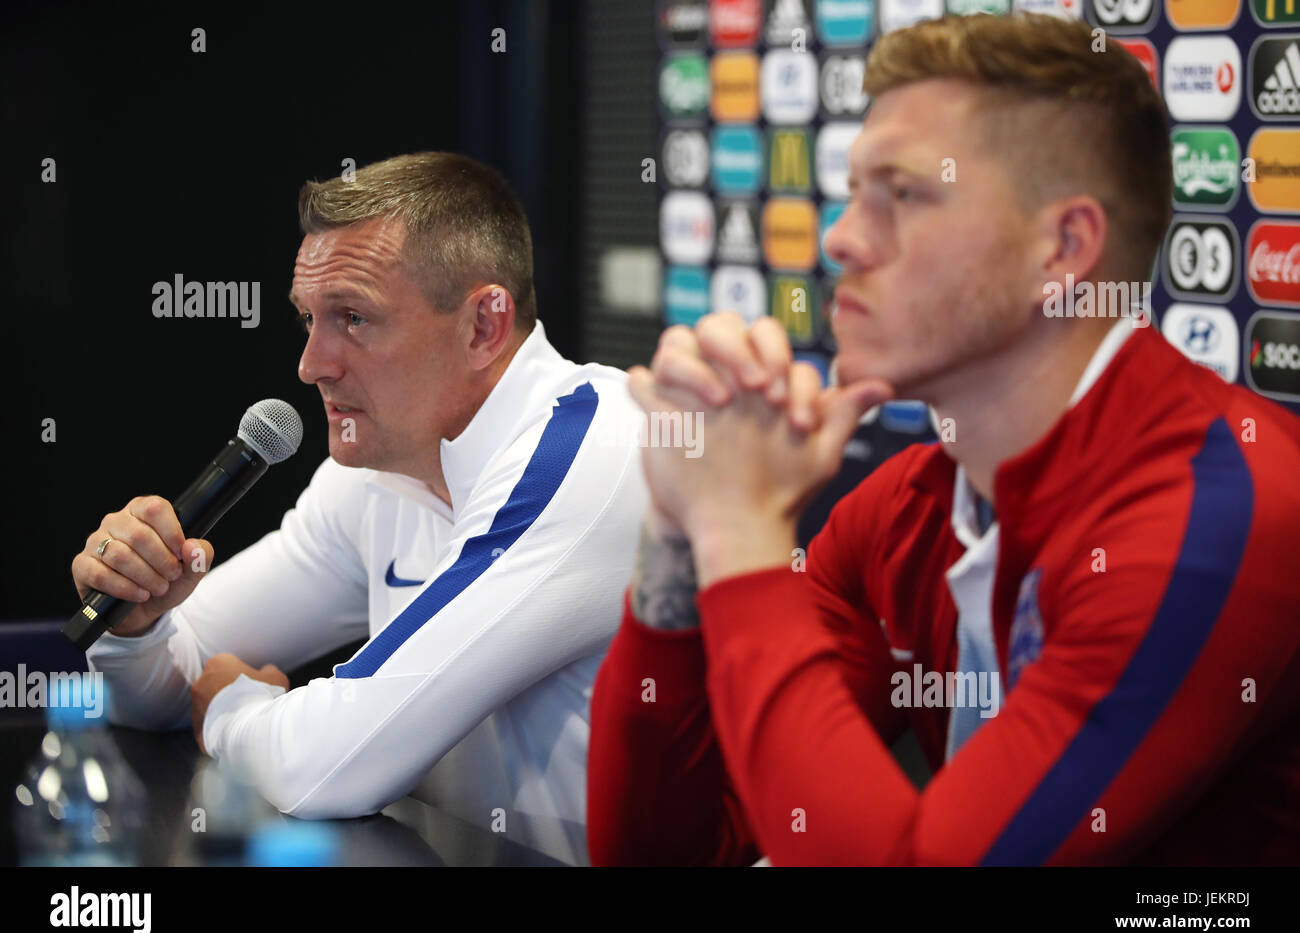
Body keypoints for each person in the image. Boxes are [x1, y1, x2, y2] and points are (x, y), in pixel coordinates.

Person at [588, 13, 1300, 865]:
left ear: (1064, 249)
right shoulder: (911, 505)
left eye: (906, 193)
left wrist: (738, 536)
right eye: (854, 192)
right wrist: (678, 527)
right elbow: (662, 850)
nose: (841, 237)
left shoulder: (1218, 513)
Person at [76, 152, 647, 866]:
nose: (312, 364)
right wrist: (138, 626)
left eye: (353, 318)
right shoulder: (379, 475)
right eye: (308, 320)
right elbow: (168, 687)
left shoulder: (596, 450)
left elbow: (326, 768)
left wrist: (228, 710)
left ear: (484, 326)